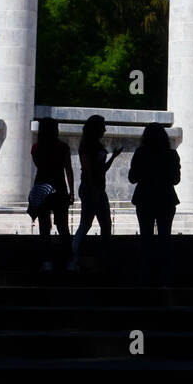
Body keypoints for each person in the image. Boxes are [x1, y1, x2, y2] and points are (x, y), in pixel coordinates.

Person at [127, 123, 181, 285]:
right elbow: (176, 180)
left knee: (146, 237)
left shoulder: (141, 153)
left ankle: (145, 273)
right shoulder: (171, 154)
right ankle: (165, 274)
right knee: (165, 237)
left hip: (145, 199)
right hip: (165, 199)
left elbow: (132, 178)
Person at [72, 114, 123, 272]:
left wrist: (113, 157)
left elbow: (102, 170)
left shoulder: (95, 144)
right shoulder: (86, 145)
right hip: (91, 189)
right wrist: (94, 190)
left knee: (105, 225)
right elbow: (87, 170)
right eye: (102, 126)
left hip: (98, 189)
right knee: (86, 224)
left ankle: (104, 258)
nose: (105, 129)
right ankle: (72, 257)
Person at [30, 118, 74, 272]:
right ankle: (69, 261)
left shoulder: (36, 148)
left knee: (44, 227)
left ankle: (47, 261)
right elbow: (68, 169)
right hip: (60, 188)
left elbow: (39, 166)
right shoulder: (63, 147)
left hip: (42, 188)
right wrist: (72, 192)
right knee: (63, 227)